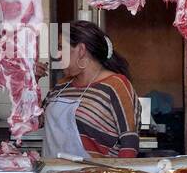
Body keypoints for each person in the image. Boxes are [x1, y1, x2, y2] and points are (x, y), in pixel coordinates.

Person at [41, 20, 141, 159]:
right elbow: (35, 121)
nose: (57, 55)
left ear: (81, 50)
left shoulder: (115, 85)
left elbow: (129, 142)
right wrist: (30, 81)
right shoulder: (61, 86)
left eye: (60, 47)